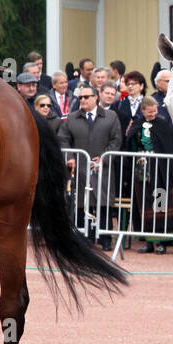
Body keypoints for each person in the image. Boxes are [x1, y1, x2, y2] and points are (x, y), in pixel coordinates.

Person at [58, 82, 122, 246]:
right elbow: (63, 139)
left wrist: (104, 158)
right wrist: (69, 157)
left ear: (95, 97)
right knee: (81, 203)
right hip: (79, 168)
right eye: (80, 97)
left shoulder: (111, 116)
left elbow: (116, 140)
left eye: (86, 97)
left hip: (103, 169)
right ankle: (85, 238)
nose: (83, 100)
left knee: (103, 202)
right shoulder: (72, 117)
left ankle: (105, 238)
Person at [125, 96, 173, 253]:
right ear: (143, 111)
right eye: (149, 112)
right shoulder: (136, 124)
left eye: (155, 111)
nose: (152, 114)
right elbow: (130, 142)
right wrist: (132, 134)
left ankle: (161, 242)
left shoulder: (163, 124)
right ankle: (148, 241)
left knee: (160, 204)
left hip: (160, 172)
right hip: (142, 171)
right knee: (144, 204)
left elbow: (169, 145)